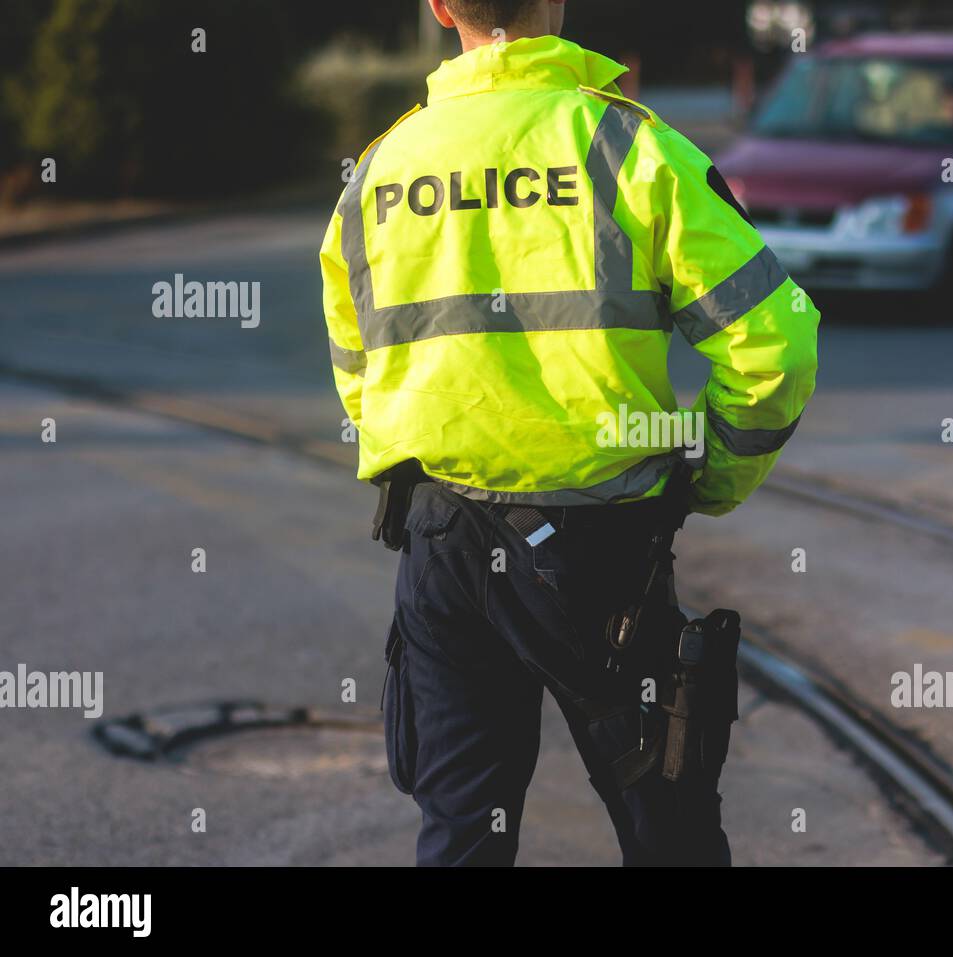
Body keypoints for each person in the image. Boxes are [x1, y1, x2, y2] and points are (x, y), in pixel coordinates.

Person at [319, 0, 818, 866]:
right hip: (599, 557)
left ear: (440, 8)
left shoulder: (379, 168)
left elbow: (358, 368)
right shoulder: (629, 145)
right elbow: (776, 341)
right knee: (669, 831)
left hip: (441, 544)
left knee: (462, 837)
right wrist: (709, 473)